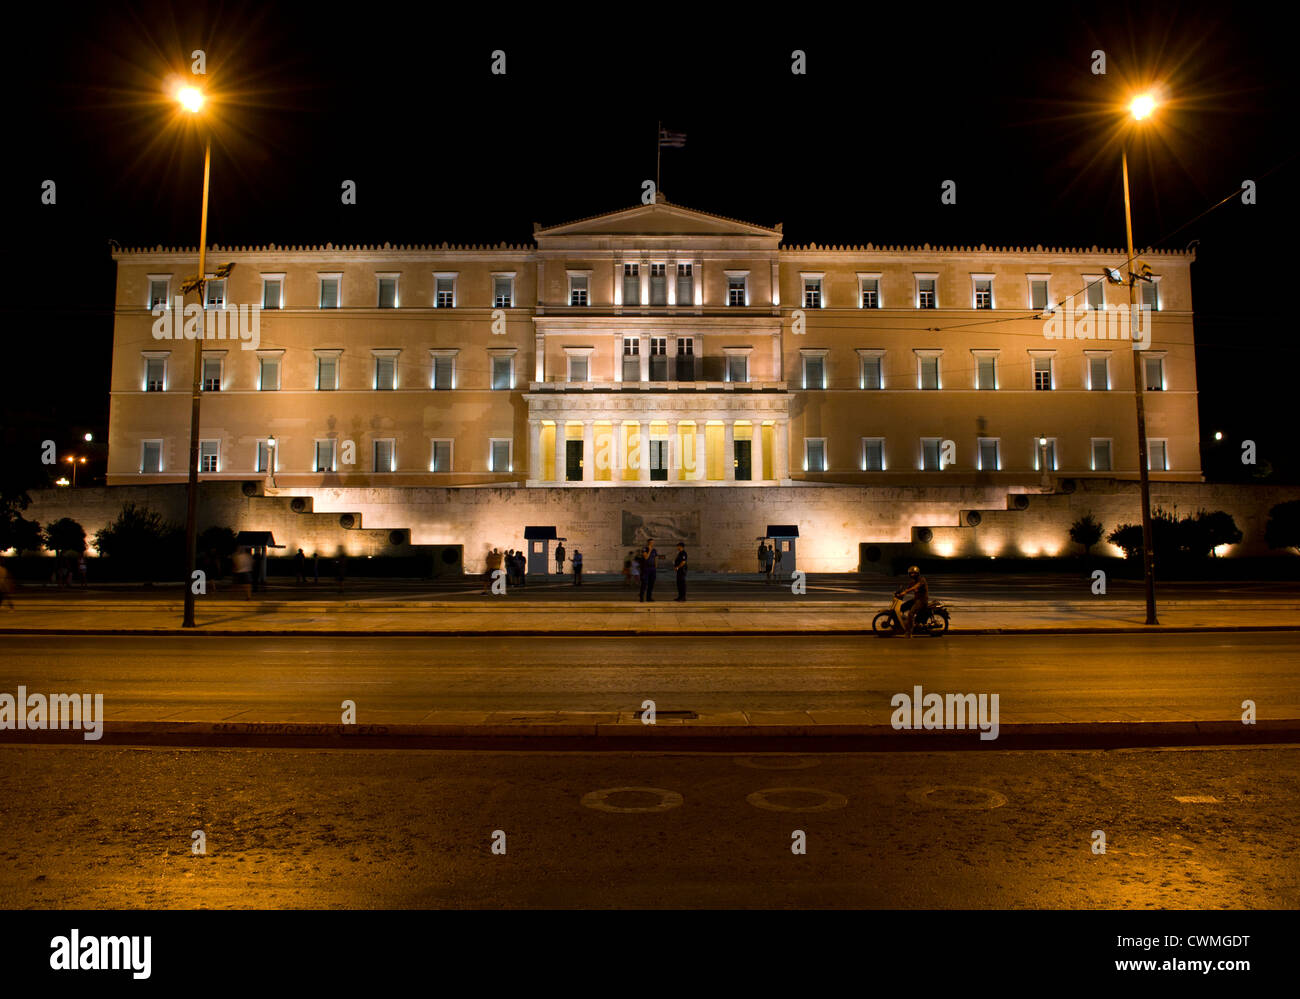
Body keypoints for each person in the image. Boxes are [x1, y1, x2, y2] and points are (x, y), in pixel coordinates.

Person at [899, 564, 930, 637]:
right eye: (911, 573)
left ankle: (909, 631)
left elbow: (915, 587)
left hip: (922, 600)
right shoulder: (912, 581)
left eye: (914, 573)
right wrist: (900, 593)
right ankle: (907, 622)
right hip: (916, 599)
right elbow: (907, 588)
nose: (912, 574)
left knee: (910, 613)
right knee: (902, 607)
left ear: (917, 573)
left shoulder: (922, 580)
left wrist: (906, 592)